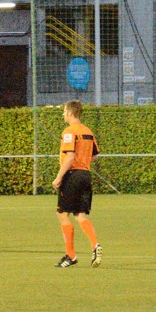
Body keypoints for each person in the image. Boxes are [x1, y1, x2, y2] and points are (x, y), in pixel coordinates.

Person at [53, 100, 101, 268]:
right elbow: (94, 156)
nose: (63, 114)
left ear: (70, 113)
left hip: (72, 175)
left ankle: (71, 256)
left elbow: (70, 156)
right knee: (80, 214)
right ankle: (95, 244)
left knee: (62, 213)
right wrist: (83, 161)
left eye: (64, 111)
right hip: (85, 175)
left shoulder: (69, 131)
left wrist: (59, 177)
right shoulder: (88, 131)